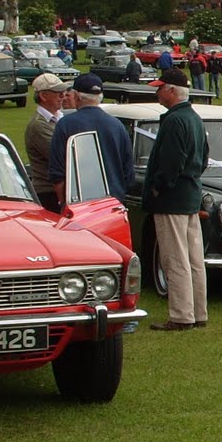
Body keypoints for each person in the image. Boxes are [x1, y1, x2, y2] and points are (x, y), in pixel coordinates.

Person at [144, 68, 210, 331]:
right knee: (194, 259)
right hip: (190, 195)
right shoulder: (194, 117)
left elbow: (171, 162)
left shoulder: (174, 121)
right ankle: (198, 311)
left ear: (172, 90)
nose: (157, 92)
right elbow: (203, 157)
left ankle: (182, 315)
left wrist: (161, 186)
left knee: (175, 258)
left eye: (160, 88)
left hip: (173, 198)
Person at [48, 72, 135, 204]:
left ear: (76, 96)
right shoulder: (118, 126)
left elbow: (57, 174)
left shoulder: (65, 124)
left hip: (80, 204)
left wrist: (64, 204)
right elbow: (128, 173)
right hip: (113, 203)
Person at [24, 72, 70, 212]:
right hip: (48, 193)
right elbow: (63, 156)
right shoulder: (38, 125)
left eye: (64, 92)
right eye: (58, 93)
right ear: (44, 96)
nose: (63, 96)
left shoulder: (59, 118)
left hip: (59, 190)